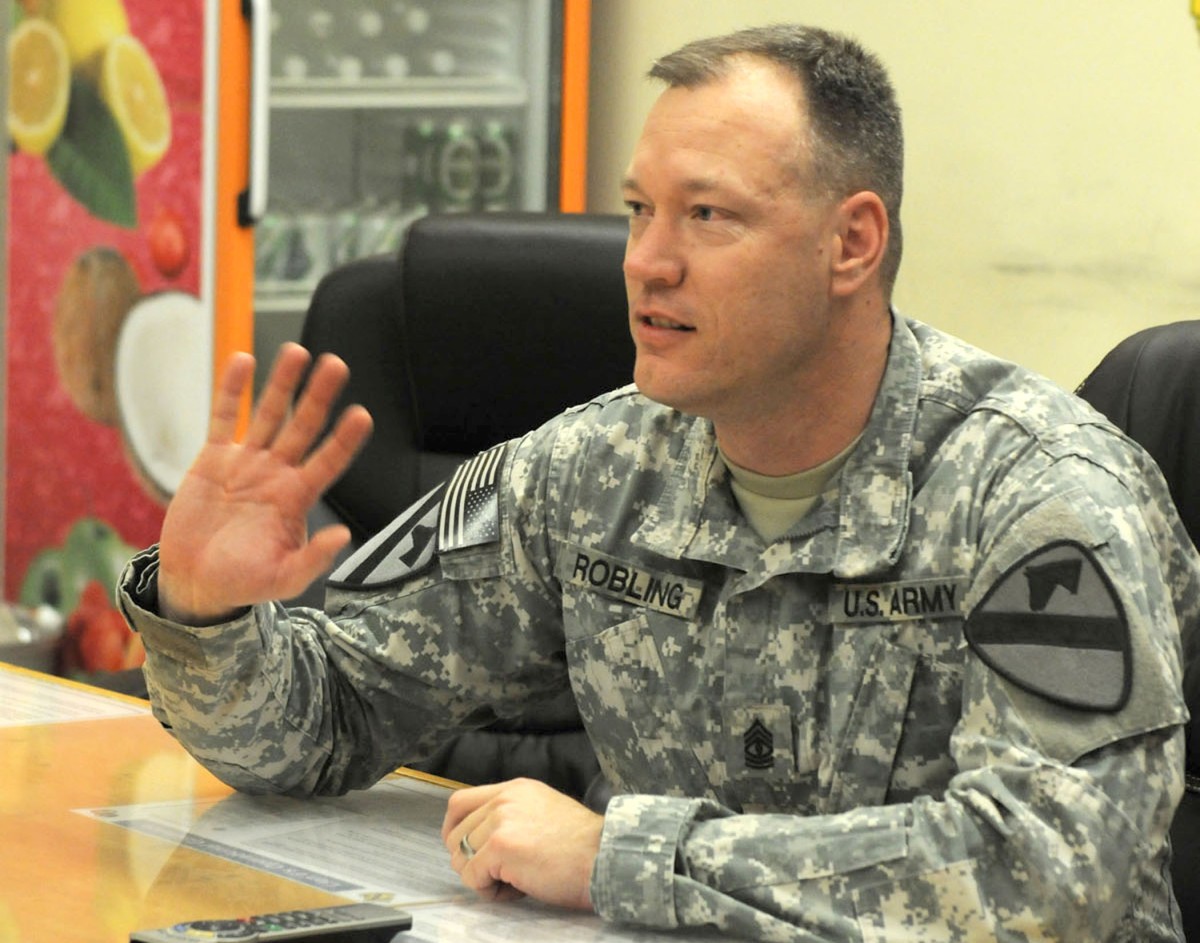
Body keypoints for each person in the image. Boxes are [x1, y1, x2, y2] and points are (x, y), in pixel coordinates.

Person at [118, 24, 1197, 941]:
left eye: (707, 215)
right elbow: (325, 724)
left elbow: (1054, 875)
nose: (646, 261)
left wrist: (622, 858)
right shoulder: (588, 472)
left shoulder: (1035, 490)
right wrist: (209, 618)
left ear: (852, 243)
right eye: (639, 211)